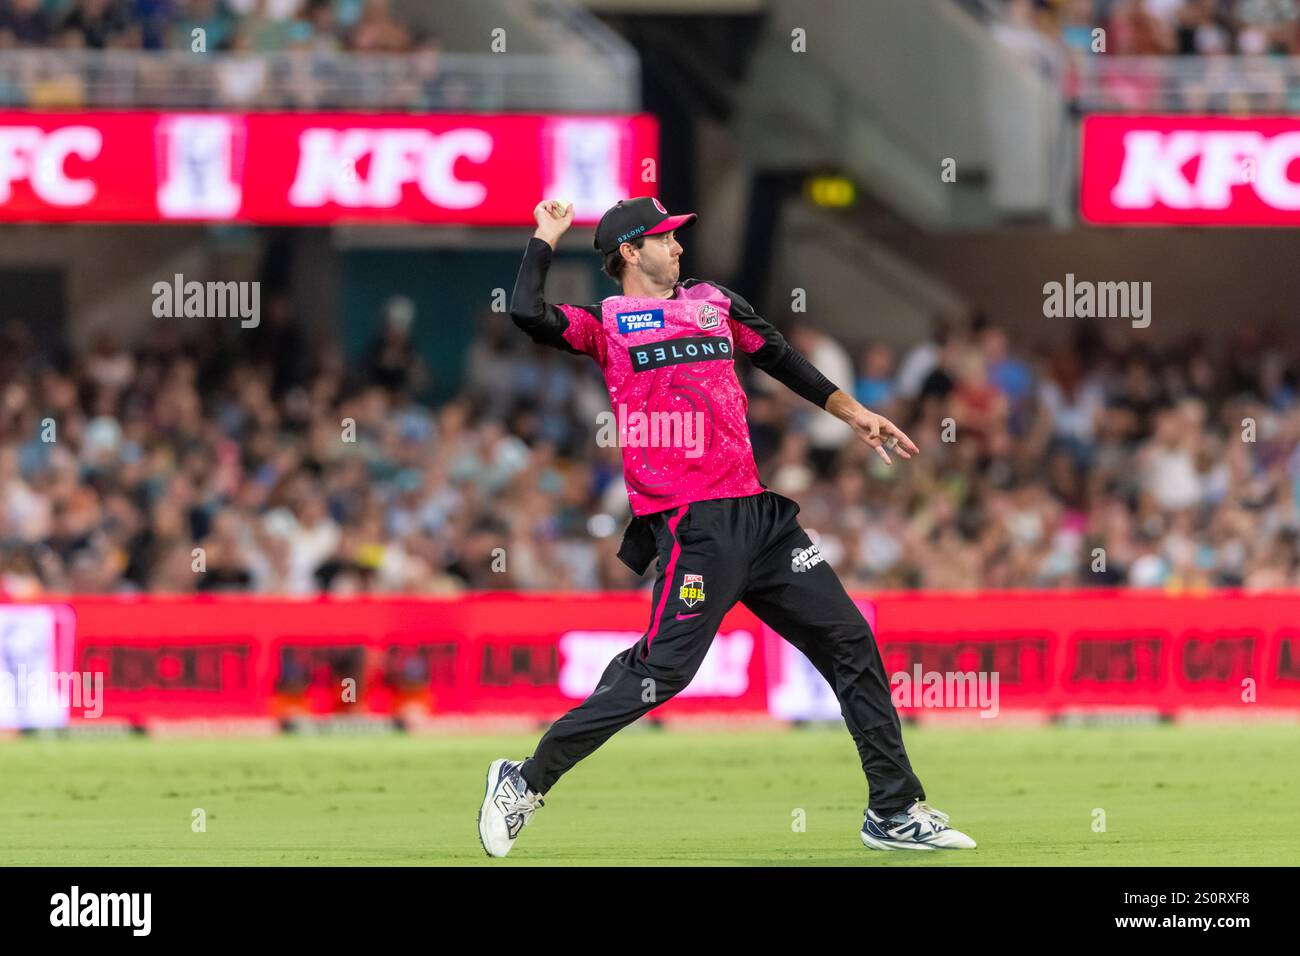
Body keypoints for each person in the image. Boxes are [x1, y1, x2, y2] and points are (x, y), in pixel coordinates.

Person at [476, 196, 976, 857]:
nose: (677, 246)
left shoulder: (714, 300)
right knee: (661, 672)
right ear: (629, 252)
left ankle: (893, 807)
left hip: (761, 518)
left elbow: (778, 356)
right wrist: (544, 236)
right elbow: (526, 313)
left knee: (851, 641)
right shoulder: (606, 323)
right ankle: (524, 780)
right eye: (663, 238)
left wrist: (852, 414)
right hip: (693, 526)